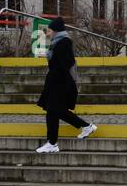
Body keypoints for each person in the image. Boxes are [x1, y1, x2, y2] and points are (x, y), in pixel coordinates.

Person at [35, 17, 97, 154]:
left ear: (56, 30)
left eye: (50, 30)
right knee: (56, 111)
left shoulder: (63, 43)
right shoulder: (58, 42)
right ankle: (85, 127)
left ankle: (52, 143)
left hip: (60, 83)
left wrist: (55, 74)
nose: (48, 33)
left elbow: (66, 63)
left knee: (53, 111)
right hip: (57, 82)